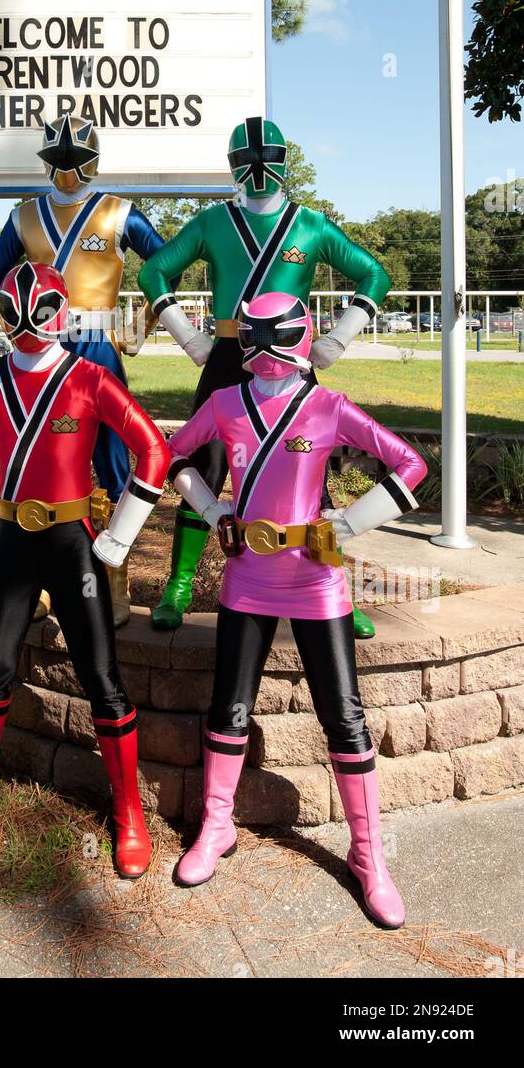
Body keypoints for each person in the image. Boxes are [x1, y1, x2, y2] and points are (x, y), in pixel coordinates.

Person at [167, 292, 426, 928]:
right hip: (247, 577)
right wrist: (213, 511)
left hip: (317, 581)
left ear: (301, 336)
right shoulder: (225, 402)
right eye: (253, 338)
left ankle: (368, 855)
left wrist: (350, 524)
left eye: (278, 337)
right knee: (229, 706)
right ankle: (216, 827)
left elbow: (410, 464)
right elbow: (171, 455)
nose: (267, 352)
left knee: (344, 716)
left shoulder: (328, 406)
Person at [0, 261, 169, 878]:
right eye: (16, 311)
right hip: (10, 539)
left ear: (63, 310)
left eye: (40, 310)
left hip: (71, 541)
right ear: (3, 312)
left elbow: (153, 450)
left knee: (101, 675)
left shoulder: (89, 378)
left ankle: (128, 808)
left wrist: (119, 536)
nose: (30, 324)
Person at [138, 115, 391, 639]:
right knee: (202, 465)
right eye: (247, 162)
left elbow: (375, 274)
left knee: (309, 469)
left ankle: (328, 579)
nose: (257, 171)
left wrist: (339, 336)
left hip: (293, 357)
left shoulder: (311, 225)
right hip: (230, 350)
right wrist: (190, 336)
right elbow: (152, 270)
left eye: (266, 160)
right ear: (233, 166)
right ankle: (179, 583)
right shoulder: (213, 222)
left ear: (283, 162)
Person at [0, 114, 169, 625]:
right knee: (36, 452)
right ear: (45, 162)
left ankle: (114, 572)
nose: (67, 172)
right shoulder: (22, 217)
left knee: (111, 453)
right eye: (58, 161)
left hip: (97, 343)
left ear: (95, 160)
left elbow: (163, 265)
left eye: (76, 161)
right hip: (37, 344)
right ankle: (34, 575)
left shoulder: (119, 212)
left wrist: (146, 322)